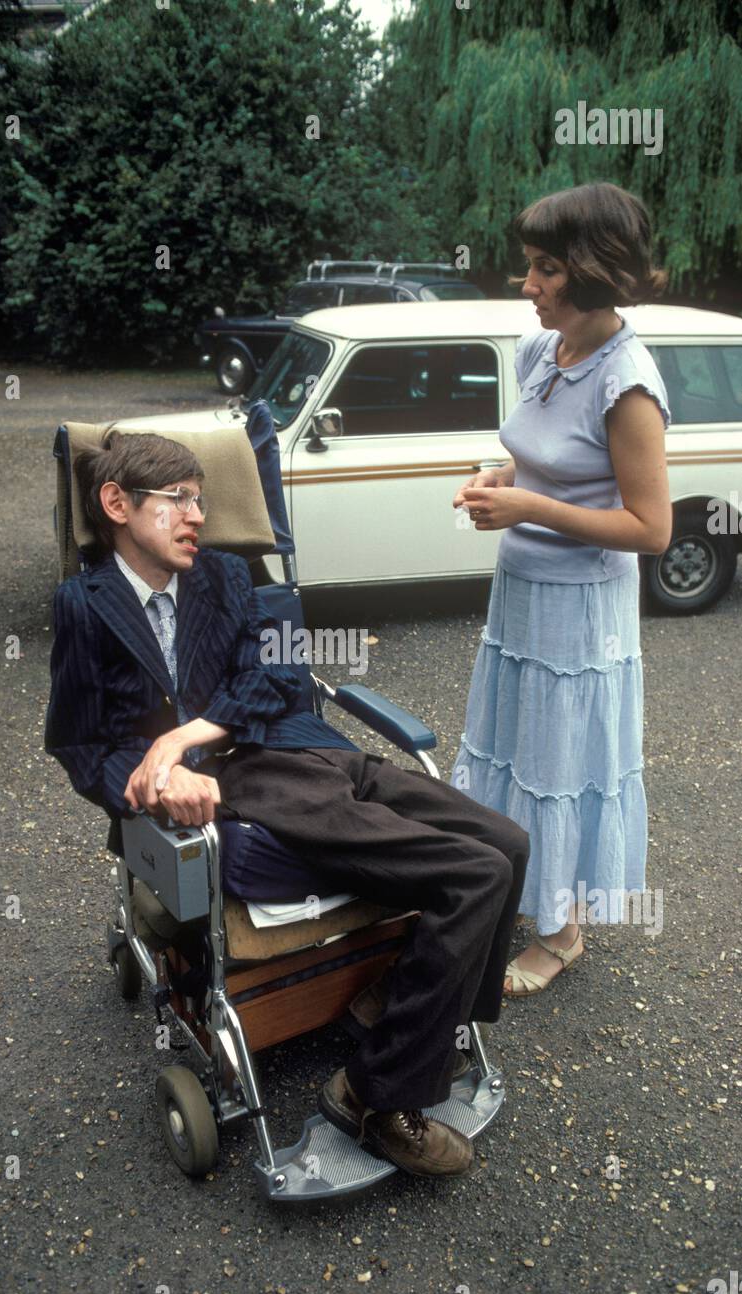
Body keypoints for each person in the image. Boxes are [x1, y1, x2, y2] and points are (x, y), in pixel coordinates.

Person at [45, 429, 529, 1178]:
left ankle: (417, 1013)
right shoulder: (83, 606)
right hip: (246, 789)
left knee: (509, 843)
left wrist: (174, 740)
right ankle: (373, 1096)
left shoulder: (227, 578)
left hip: (314, 750)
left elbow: (276, 680)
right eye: (178, 501)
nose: (197, 516)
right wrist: (155, 777)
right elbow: (80, 745)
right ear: (116, 503)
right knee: (476, 876)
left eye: (201, 501)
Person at [452, 181, 671, 996]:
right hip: (521, 594)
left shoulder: (629, 384)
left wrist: (527, 506)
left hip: (581, 613)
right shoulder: (542, 350)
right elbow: (551, 459)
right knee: (512, 748)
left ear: (588, 269)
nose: (528, 284)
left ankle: (563, 932)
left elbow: (651, 529)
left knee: (561, 759)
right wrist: (499, 477)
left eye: (544, 269)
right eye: (529, 266)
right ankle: (525, 887)